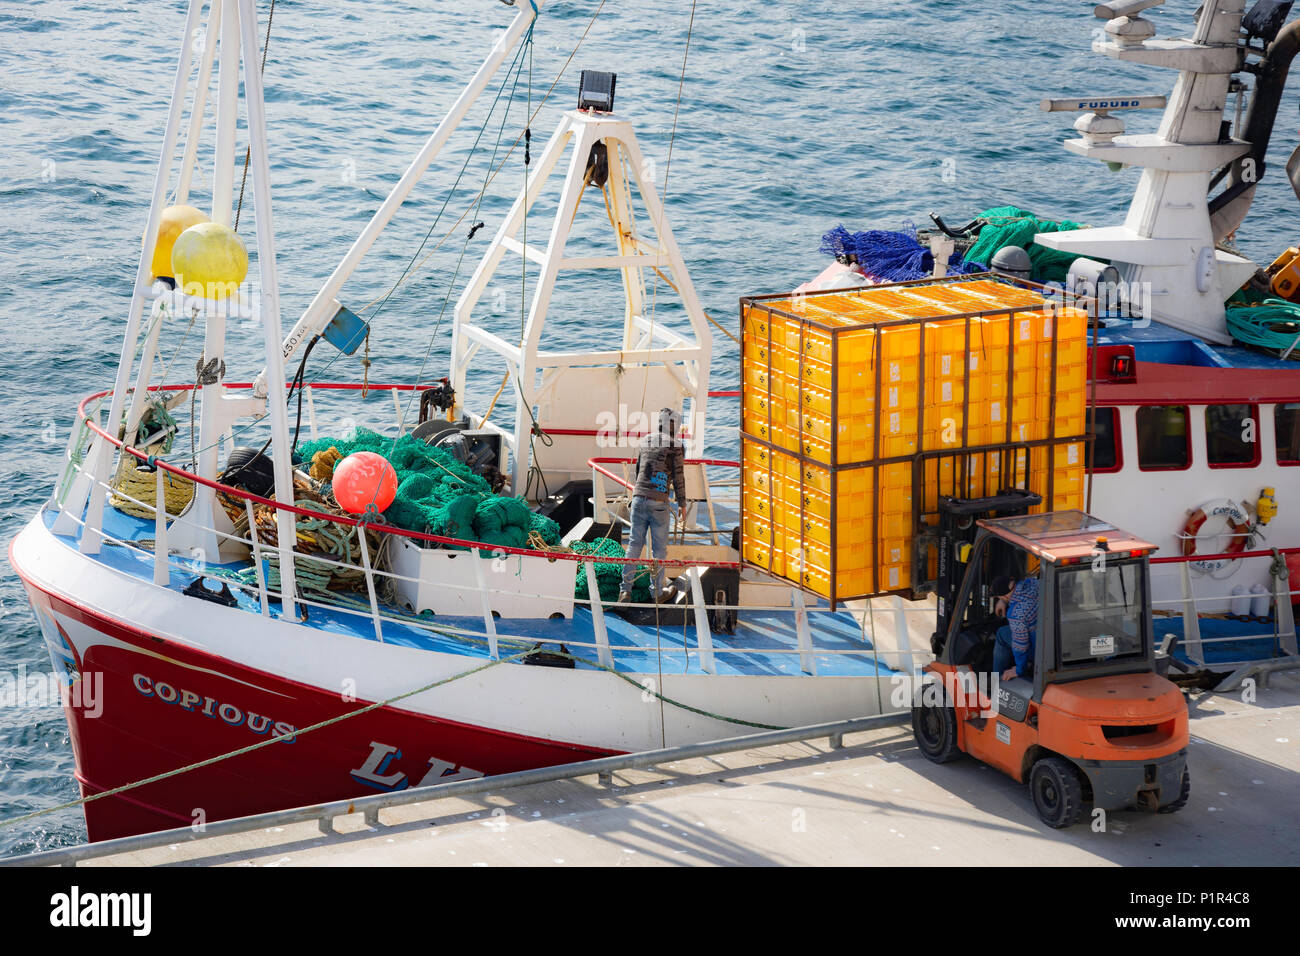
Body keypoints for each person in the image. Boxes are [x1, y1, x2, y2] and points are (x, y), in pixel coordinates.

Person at [618, 408, 687, 604]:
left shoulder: (646, 440)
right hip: (658, 502)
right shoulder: (676, 446)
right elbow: (679, 477)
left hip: (639, 497)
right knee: (658, 551)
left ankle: (625, 591)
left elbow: (639, 469)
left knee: (634, 545)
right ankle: (657, 592)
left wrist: (636, 494)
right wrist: (682, 503)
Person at [991, 572, 1039, 682]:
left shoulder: (1016, 614)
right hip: (1050, 636)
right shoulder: (1033, 584)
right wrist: (1003, 600)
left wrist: (1018, 670)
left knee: (1001, 634)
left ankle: (997, 681)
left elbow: (1021, 646)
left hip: (1039, 650)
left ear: (1003, 596)